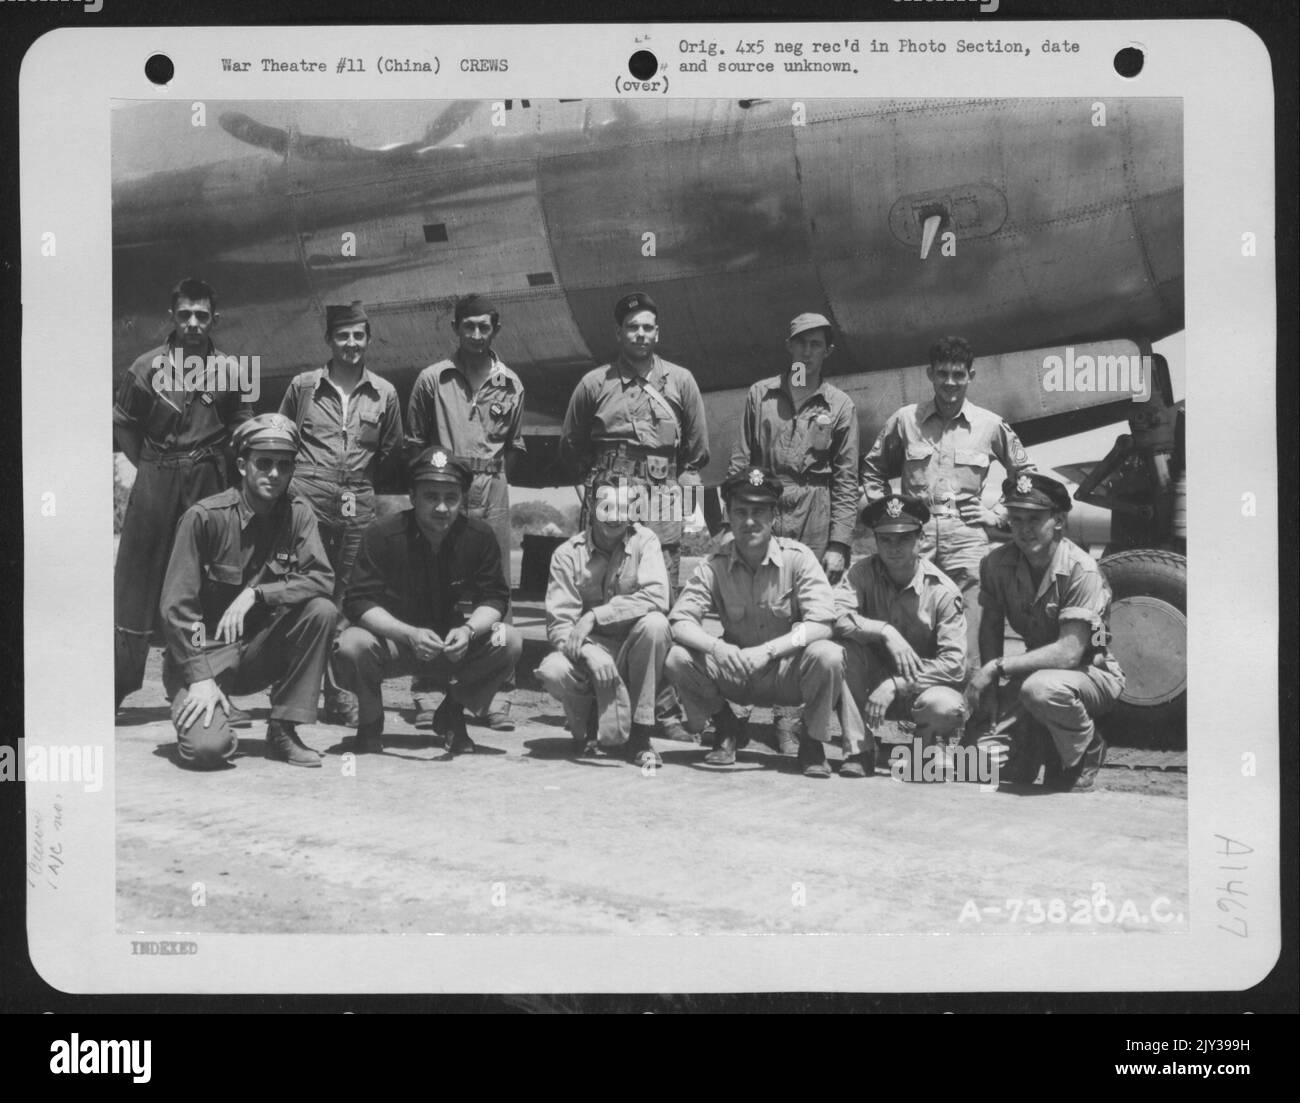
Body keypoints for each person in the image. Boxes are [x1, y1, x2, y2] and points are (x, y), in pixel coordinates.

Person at [560, 291, 709, 742]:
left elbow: (696, 453)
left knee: (656, 603)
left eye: (648, 327)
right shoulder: (594, 384)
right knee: (603, 593)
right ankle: (597, 702)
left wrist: (680, 507)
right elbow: (572, 447)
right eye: (632, 327)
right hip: (611, 493)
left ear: (657, 332)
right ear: (618, 333)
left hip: (662, 498)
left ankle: (661, 708)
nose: (640, 334)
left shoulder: (681, 382)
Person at [158, 414, 338, 770]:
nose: (274, 473)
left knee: (321, 610)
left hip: (258, 652)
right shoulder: (205, 518)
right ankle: (208, 710)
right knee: (208, 750)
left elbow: (322, 578)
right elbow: (175, 609)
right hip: (203, 655)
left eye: (284, 465)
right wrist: (201, 679)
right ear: (242, 465)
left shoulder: (298, 514)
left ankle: (283, 730)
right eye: (264, 463)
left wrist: (258, 594)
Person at [665, 467, 865, 779]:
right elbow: (679, 622)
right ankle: (726, 726)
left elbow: (822, 623)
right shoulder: (713, 565)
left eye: (759, 512)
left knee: (828, 654)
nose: (749, 521)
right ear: (728, 516)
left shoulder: (798, 558)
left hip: (786, 672)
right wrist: (716, 647)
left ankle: (812, 741)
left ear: (773, 516)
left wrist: (771, 650)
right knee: (678, 657)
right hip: (737, 669)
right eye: (740, 511)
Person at [114, 277, 253, 710]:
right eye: (185, 315)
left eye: (202, 316)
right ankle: (116, 685)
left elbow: (242, 425)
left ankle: (206, 681)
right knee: (138, 575)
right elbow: (123, 423)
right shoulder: (146, 367)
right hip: (157, 470)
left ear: (215, 319)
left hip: (208, 474)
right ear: (171, 316)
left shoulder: (235, 368)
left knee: (212, 575)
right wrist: (152, 467)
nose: (193, 323)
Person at [860, 335, 1035, 673]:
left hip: (967, 542)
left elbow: (1025, 474)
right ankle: (916, 710)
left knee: (971, 633)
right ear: (930, 374)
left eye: (958, 374)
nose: (950, 383)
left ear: (972, 375)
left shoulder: (989, 425)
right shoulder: (905, 420)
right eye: (943, 374)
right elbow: (872, 469)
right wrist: (888, 516)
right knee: (913, 626)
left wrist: (997, 514)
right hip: (916, 540)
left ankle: (970, 714)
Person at [334, 448, 523, 756]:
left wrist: (469, 631)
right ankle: (370, 722)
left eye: (451, 497)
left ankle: (452, 712)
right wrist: (407, 633)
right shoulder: (382, 534)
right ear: (412, 496)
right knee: (350, 644)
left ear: (462, 499)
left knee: (509, 639)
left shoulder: (479, 536)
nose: (442, 507)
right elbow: (357, 601)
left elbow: (495, 597)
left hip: (449, 645)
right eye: (431, 496)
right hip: (394, 642)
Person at [728, 311, 859, 754]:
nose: (808, 351)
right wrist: (734, 518)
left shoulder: (840, 406)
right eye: (801, 343)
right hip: (764, 506)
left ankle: (792, 720)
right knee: (753, 602)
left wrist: (840, 541)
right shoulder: (759, 395)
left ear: (827, 351)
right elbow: (740, 459)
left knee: (804, 614)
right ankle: (737, 711)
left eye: (816, 344)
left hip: (814, 510)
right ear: (789, 347)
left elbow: (846, 478)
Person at [279, 301, 404, 725]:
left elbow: (389, 452)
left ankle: (340, 696)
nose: (351, 344)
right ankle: (293, 693)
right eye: (343, 336)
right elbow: (282, 440)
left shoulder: (384, 393)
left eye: (359, 336)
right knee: (305, 593)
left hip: (357, 500)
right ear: (329, 340)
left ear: (368, 339)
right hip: (307, 498)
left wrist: (359, 488)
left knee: (348, 596)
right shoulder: (303, 387)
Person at [405, 294, 525, 732]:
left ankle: (497, 698)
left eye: (484, 327)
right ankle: (428, 691)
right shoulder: (431, 380)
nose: (476, 334)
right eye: (468, 326)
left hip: (492, 487)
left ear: (495, 329)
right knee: (431, 584)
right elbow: (416, 441)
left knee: (497, 591)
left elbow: (513, 445)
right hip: (445, 488)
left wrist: (490, 480)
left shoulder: (512, 384)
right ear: (456, 328)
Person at [965, 473, 1125, 792]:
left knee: (1042, 690)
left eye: (1035, 519)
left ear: (1059, 521)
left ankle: (1087, 746)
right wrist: (992, 688)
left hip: (1090, 673)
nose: (1024, 529)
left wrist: (996, 668)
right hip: (1035, 673)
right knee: (975, 763)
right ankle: (1036, 743)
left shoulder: (1081, 570)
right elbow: (991, 625)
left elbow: (1068, 653)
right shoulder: (996, 564)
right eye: (1016, 518)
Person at [538, 476, 673, 769]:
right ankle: (587, 724)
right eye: (607, 506)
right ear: (592, 505)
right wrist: (588, 650)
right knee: (552, 668)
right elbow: (560, 625)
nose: (615, 516)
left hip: (631, 653)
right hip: (590, 655)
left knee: (656, 625)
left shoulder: (645, 541)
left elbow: (658, 597)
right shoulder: (566, 555)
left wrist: (596, 615)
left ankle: (640, 733)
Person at [834, 495, 968, 778]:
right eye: (886, 540)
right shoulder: (861, 573)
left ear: (920, 540)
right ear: (876, 542)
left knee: (944, 705)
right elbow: (835, 617)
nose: (894, 548)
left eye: (904, 539)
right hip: (870, 685)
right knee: (839, 653)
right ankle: (859, 751)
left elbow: (955, 665)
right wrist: (884, 630)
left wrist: (897, 683)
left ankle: (926, 750)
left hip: (919, 689)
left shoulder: (942, 591)